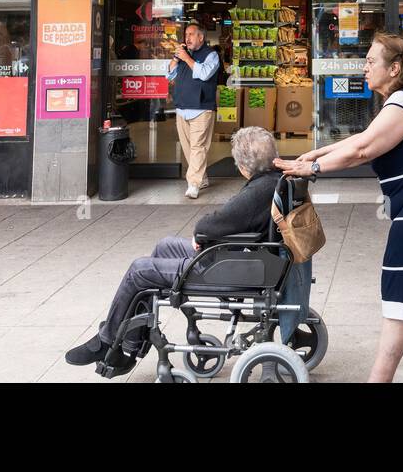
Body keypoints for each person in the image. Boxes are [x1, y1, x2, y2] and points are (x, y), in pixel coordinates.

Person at [276, 33, 403, 383]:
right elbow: (364, 138)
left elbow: (364, 151)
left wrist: (313, 169)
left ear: (395, 67)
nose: (364, 67)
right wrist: (316, 152)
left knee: (398, 304)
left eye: (371, 61)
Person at [65, 127, 283, 376]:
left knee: (140, 270)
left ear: (244, 166)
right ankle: (131, 343)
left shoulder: (257, 192)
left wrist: (203, 236)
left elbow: (208, 225)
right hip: (242, 257)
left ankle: (106, 340)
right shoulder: (273, 181)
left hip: (231, 266)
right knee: (164, 246)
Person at [169, 21, 220, 199]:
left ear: (201, 37)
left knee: (198, 147)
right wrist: (176, 58)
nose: (187, 38)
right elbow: (169, 75)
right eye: (186, 35)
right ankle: (202, 178)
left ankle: (194, 184)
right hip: (182, 108)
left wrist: (187, 58)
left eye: (191, 34)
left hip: (201, 109)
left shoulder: (211, 55)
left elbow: (204, 74)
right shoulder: (184, 55)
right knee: (189, 147)